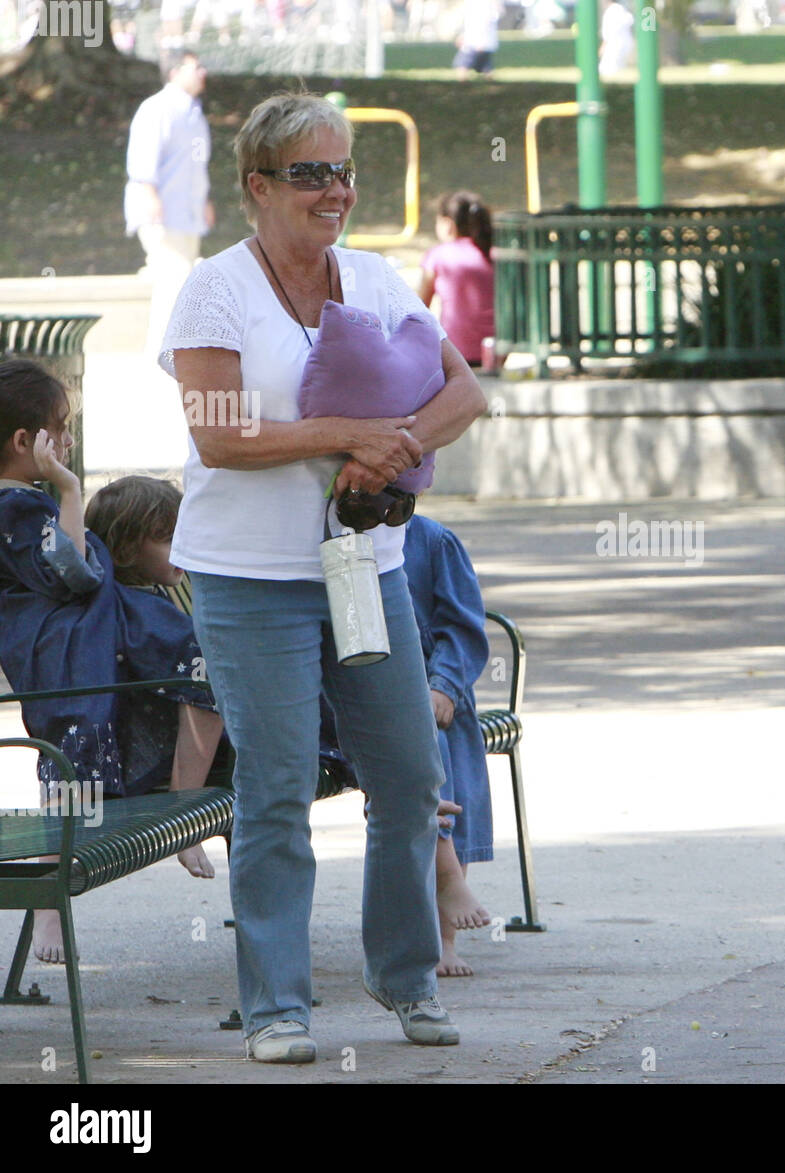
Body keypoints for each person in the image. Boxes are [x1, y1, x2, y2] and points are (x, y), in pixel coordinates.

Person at [159, 92, 486, 1063]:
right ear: (258, 186)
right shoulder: (214, 292)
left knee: (407, 777)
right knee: (275, 787)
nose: (334, 189)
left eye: (343, 170)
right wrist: (345, 433)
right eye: (310, 173)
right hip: (248, 578)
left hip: (366, 569)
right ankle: (277, 1007)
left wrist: (392, 451)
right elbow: (218, 437)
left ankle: (405, 978)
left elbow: (462, 392)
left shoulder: (378, 281)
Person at [0, 363, 224, 965]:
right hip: (62, 645)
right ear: (26, 442)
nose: (67, 442)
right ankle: (53, 904)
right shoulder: (15, 509)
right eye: (61, 430)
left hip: (87, 632)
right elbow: (72, 572)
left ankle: (189, 802)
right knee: (88, 728)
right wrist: (70, 490)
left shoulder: (25, 503)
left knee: (203, 668)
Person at [403, 514, 495, 977]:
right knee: (418, 738)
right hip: (357, 700)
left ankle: (444, 937)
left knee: (445, 738)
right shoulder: (331, 533)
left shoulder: (433, 541)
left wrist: (443, 685)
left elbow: (463, 627)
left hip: (433, 693)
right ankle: (448, 880)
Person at [124, 49, 214, 360]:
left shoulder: (195, 113)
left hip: (187, 215)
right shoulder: (157, 109)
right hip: (162, 213)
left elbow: (196, 165)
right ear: (174, 72)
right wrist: (149, 195)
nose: (202, 72)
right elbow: (143, 158)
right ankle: (164, 352)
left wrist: (204, 200)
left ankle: (170, 349)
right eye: (195, 66)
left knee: (181, 277)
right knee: (174, 279)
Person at [418, 191, 495, 367]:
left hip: (455, 354)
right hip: (496, 352)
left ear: (447, 224)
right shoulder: (493, 252)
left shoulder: (438, 256)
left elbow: (420, 308)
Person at [455, 0, 499, 79]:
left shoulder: (481, 6)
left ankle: (462, 84)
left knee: (462, 64)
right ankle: (491, 82)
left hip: (475, 43)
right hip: (485, 43)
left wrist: (480, 42)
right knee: (486, 66)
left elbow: (481, 24)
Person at [598, 0, 634, 77]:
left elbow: (608, 34)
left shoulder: (612, 11)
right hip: (624, 44)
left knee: (606, 71)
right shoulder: (620, 9)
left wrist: (603, 47)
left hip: (615, 46)